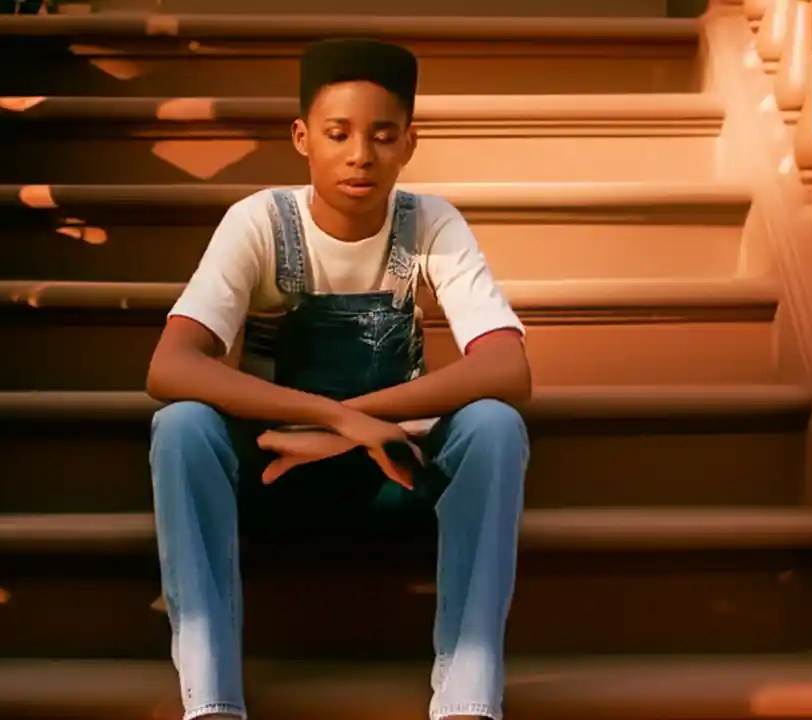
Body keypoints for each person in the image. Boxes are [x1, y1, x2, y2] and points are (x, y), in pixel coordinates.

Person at [146, 36, 532, 720]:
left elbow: (506, 366)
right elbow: (170, 366)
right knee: (181, 425)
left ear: (410, 142)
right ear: (302, 137)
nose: (361, 154)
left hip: (393, 474)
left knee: (495, 426)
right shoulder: (261, 222)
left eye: (384, 136)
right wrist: (335, 420)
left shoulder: (429, 223)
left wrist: (351, 423)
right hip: (272, 477)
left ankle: (469, 695)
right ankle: (210, 699)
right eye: (338, 134)